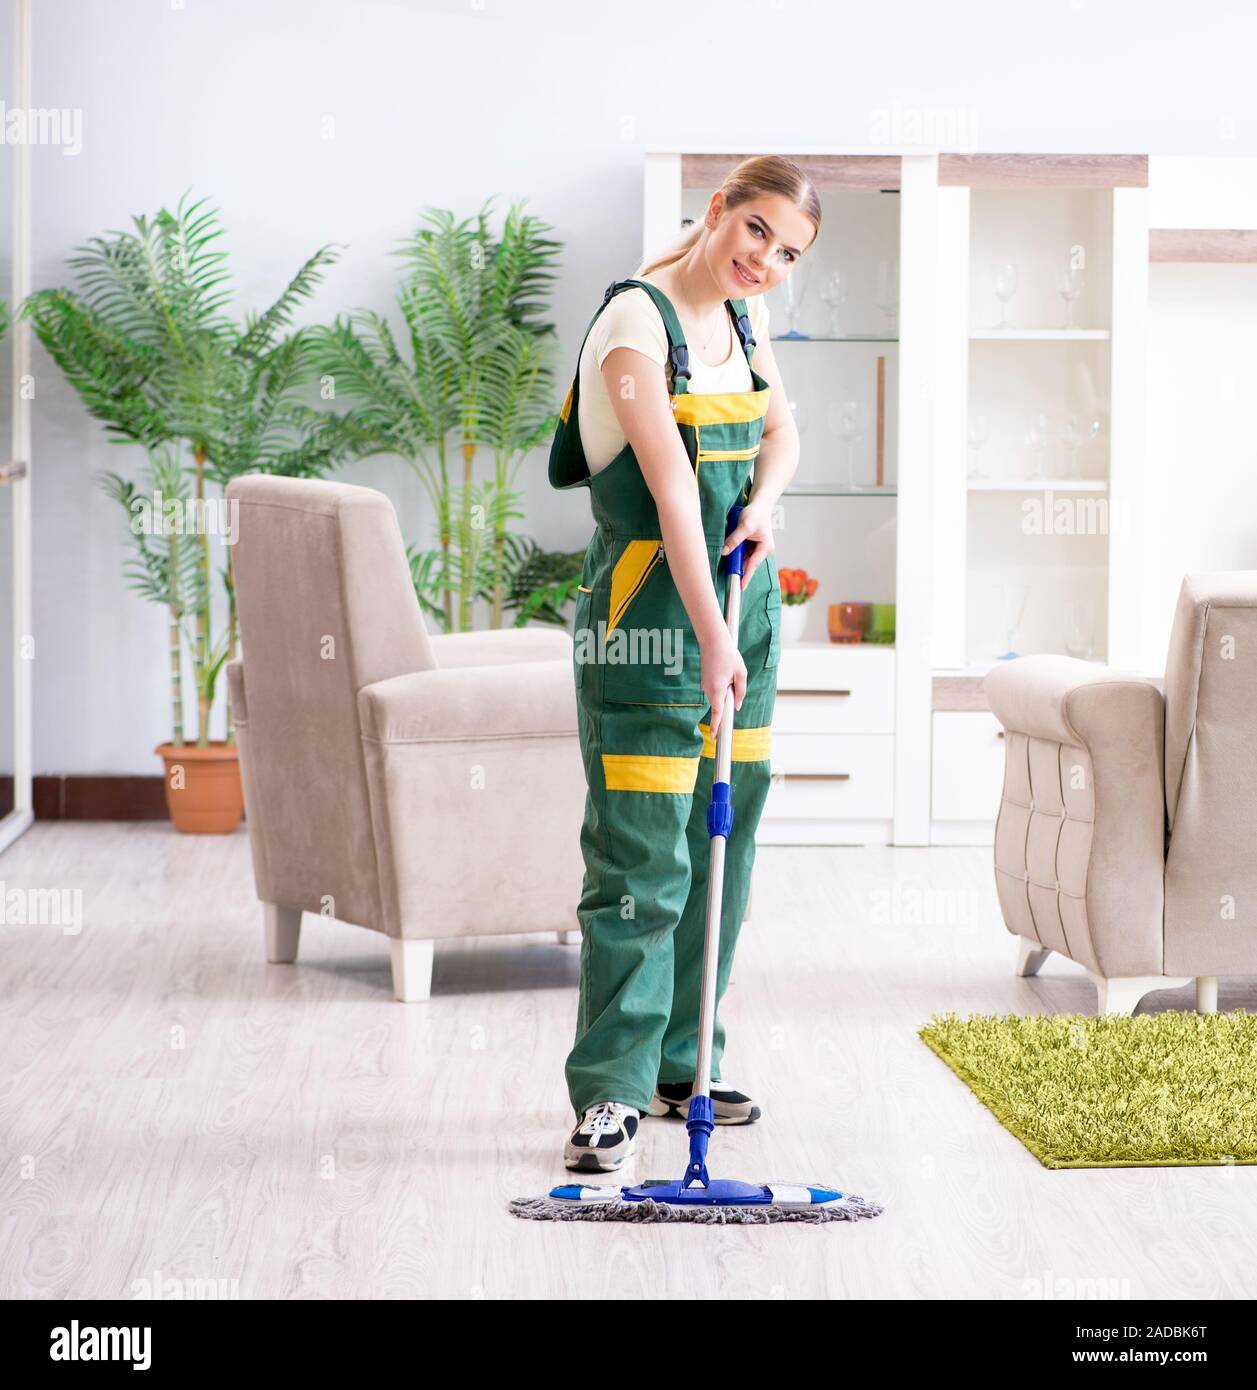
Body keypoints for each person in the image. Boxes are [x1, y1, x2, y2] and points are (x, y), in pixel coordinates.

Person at [547, 155, 819, 1172]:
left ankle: (682, 1064)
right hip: (648, 623)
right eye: (756, 232)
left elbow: (783, 433)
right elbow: (669, 499)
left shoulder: (743, 328)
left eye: (788, 251)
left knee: (724, 846)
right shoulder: (635, 325)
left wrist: (765, 501)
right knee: (641, 860)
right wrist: (708, 641)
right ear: (718, 212)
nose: (766, 261)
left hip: (740, 608)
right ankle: (609, 1093)